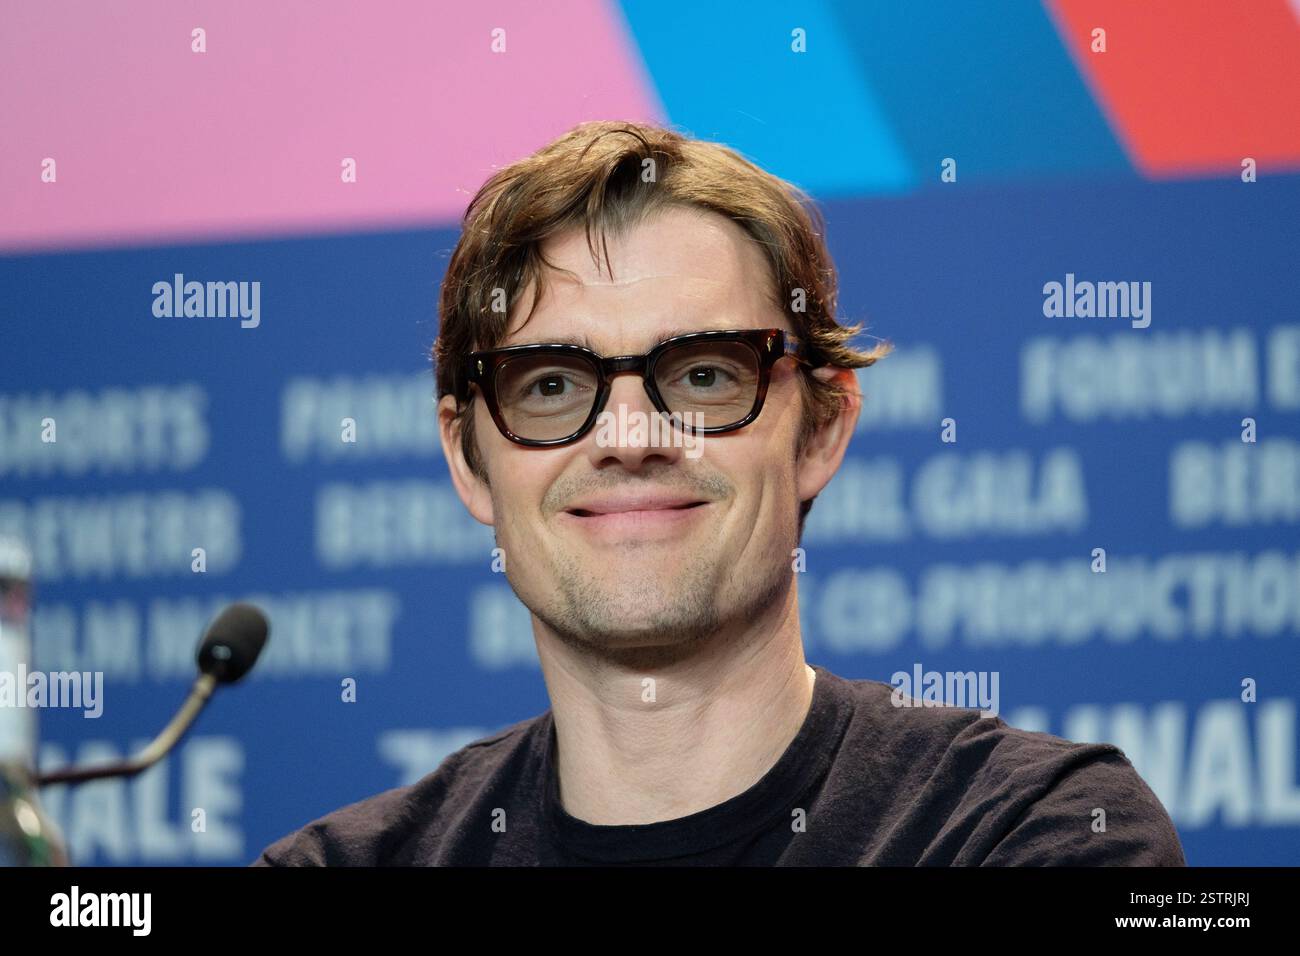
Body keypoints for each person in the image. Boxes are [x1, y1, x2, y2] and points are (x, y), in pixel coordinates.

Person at [252, 121, 1185, 866]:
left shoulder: (1025, 830)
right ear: (468, 460)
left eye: (703, 375)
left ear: (820, 429)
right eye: (550, 386)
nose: (629, 439)